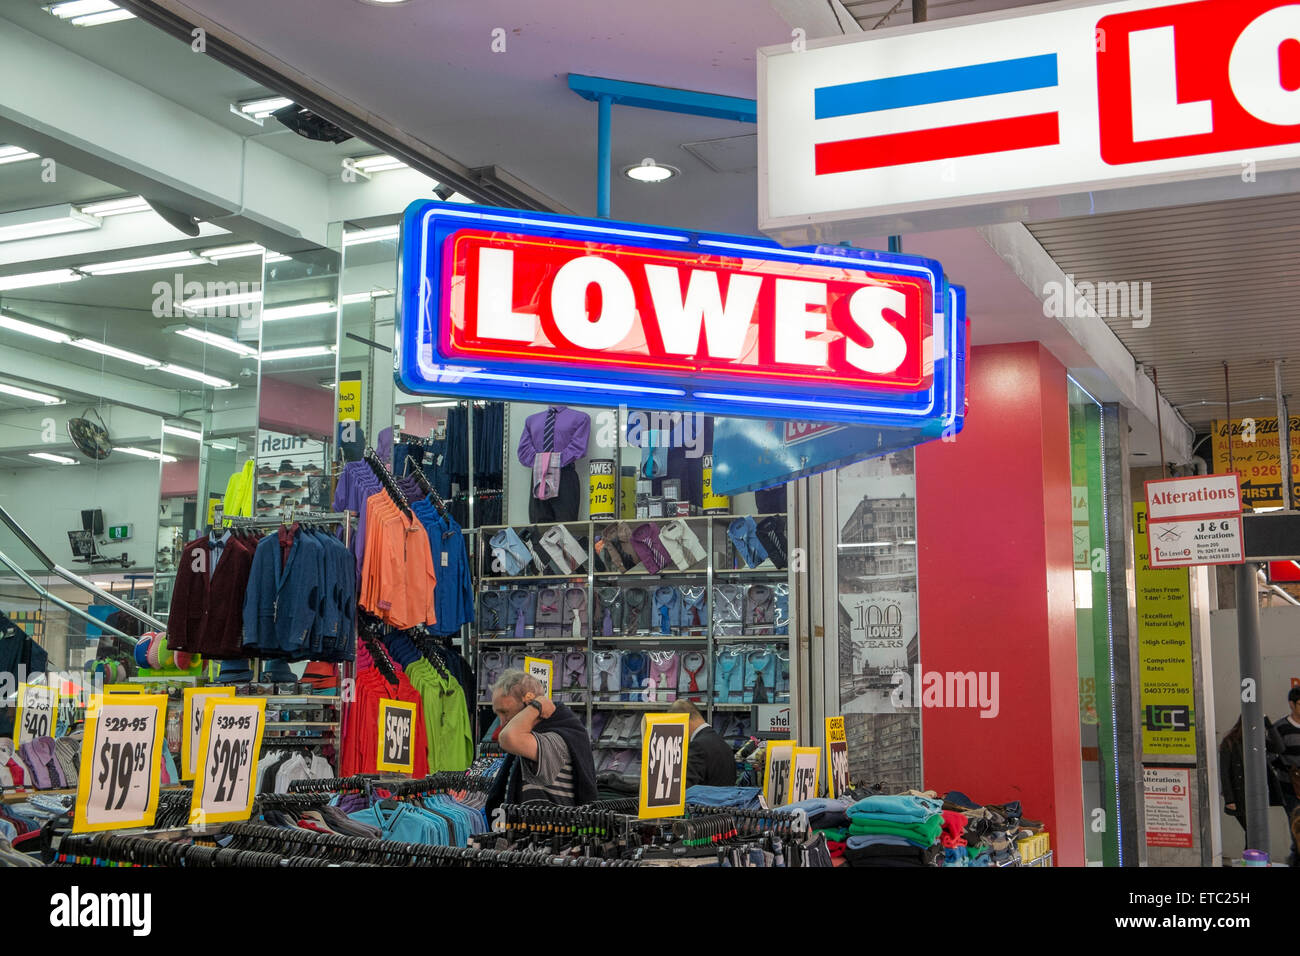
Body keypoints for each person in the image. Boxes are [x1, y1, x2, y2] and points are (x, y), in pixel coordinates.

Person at [492, 670, 597, 805]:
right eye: (497, 714)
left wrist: (536, 705)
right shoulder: (536, 737)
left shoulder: (557, 740)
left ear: (529, 701)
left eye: (505, 712)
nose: (502, 722)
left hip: (551, 825)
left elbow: (508, 738)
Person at [1219, 714, 1286, 852]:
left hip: (1258, 794)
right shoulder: (1230, 742)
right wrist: (1229, 798)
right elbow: (1224, 773)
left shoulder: (1259, 740)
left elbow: (1280, 747)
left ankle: (1251, 860)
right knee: (1253, 833)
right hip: (1239, 795)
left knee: (1253, 834)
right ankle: (1252, 860)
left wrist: (1269, 724)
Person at [668, 698, 736, 788]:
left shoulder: (697, 747)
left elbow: (685, 788)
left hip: (706, 801)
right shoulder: (723, 743)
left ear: (683, 721)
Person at [1273, 687, 1300, 864]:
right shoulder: (1280, 728)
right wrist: (1290, 770)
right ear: (1292, 704)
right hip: (1291, 787)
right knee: (1296, 829)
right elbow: (1271, 756)